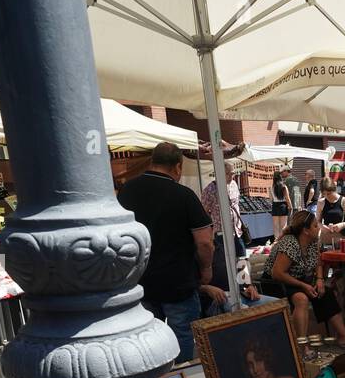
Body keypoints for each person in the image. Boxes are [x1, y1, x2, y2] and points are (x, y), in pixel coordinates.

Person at [117, 142, 215, 361]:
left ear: (152, 161)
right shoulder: (183, 195)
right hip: (178, 282)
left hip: (140, 281)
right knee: (182, 335)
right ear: (177, 167)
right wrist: (206, 268)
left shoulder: (127, 191)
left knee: (149, 339)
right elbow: (205, 243)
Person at [201, 159, 276, 314]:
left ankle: (244, 286)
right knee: (223, 264)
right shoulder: (209, 190)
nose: (232, 176)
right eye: (229, 173)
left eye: (233, 173)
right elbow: (204, 212)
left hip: (237, 231)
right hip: (220, 234)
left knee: (241, 259)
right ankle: (227, 293)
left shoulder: (235, 185)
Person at [264, 210, 345, 344]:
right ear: (306, 231)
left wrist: (320, 280)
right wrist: (303, 286)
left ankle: (344, 337)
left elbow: (317, 263)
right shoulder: (290, 243)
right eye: (315, 226)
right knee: (301, 299)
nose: (318, 228)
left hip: (298, 279)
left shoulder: (313, 241)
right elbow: (277, 273)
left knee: (325, 292)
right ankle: (302, 346)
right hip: (277, 283)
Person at [317, 177, 345, 247]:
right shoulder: (321, 202)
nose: (327, 196)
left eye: (329, 193)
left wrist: (342, 225)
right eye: (324, 194)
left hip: (340, 241)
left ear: (334, 189)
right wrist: (323, 227)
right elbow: (317, 222)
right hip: (325, 240)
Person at [271, 170, 292, 239]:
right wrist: (290, 207)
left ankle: (276, 241)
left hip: (274, 205)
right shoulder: (284, 187)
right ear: (281, 177)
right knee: (283, 226)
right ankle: (283, 241)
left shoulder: (271, 187)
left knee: (276, 226)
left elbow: (271, 198)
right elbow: (287, 198)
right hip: (283, 206)